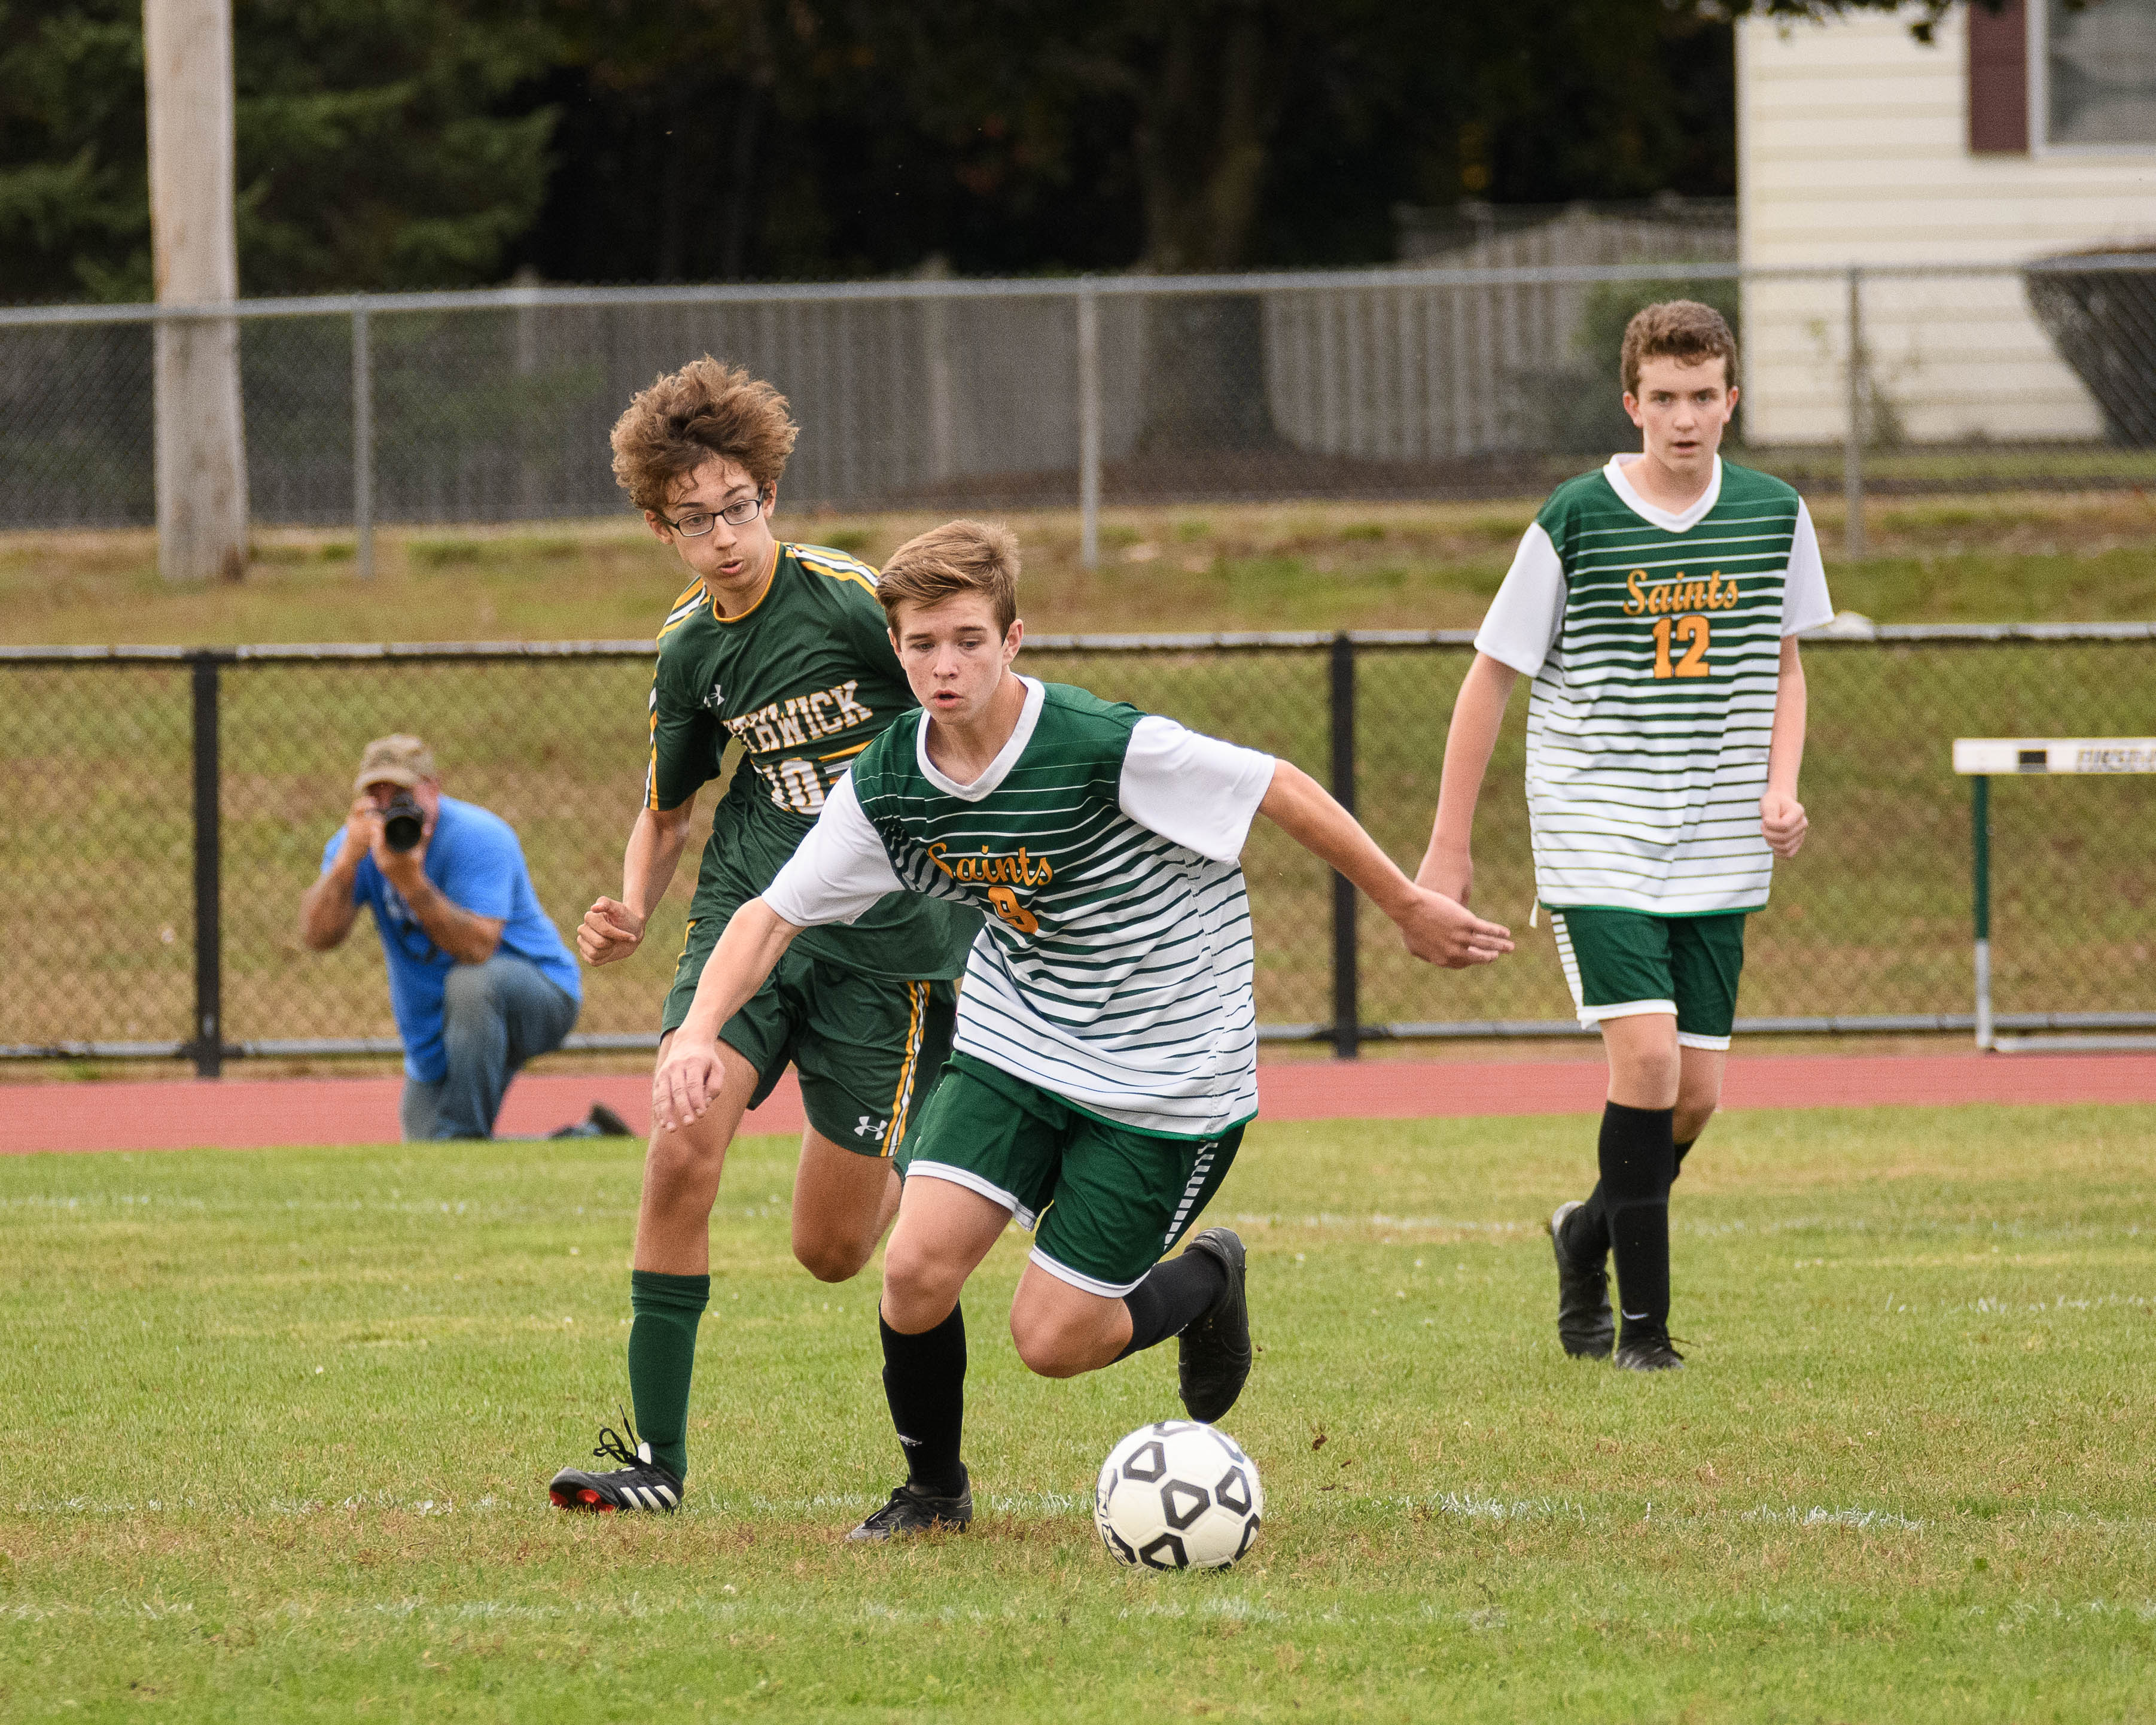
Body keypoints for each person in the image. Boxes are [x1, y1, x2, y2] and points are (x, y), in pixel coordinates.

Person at [650, 519, 1514, 1540]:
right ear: (895, 649)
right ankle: (933, 1492)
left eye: (968, 639)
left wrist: (1405, 902)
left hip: (1167, 1069)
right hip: (1016, 1041)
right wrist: (697, 1030)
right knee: (914, 1270)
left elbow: (1273, 785)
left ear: (1013, 640)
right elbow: (770, 915)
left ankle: (1206, 1280)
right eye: (922, 644)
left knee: (1052, 1339)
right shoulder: (889, 782)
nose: (944, 664)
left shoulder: (1101, 746)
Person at [547, 358, 981, 1516]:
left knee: (831, 1251)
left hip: (885, 947)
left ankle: (937, 1154)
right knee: (678, 1143)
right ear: (660, 527)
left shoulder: (850, 603)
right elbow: (668, 808)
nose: (725, 536)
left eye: (739, 506)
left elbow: (969, 711)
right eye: (694, 518)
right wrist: (632, 906)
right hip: (752, 911)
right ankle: (656, 1460)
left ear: (770, 494)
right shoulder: (690, 648)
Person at [1417, 299, 1832, 1373]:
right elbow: (1489, 678)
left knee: (1694, 1095)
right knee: (1645, 1059)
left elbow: (1785, 666)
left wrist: (1780, 787)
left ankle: (1587, 1230)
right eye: (1663, 397)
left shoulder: (1774, 514)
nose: (1683, 417)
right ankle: (1642, 1332)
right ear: (1630, 402)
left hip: (1718, 840)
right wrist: (1449, 846)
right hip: (1595, 828)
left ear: (1731, 400)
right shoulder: (1575, 518)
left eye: (1702, 396)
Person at [299, 734, 600, 1142]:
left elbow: (477, 948)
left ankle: (462, 1135)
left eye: (402, 794)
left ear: (433, 789)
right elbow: (316, 936)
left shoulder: (479, 837)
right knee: (426, 1148)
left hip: (537, 994)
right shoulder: (356, 846)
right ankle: (583, 1138)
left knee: (471, 985)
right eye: (376, 795)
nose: (390, 808)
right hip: (440, 1021)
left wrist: (411, 883)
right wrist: (344, 866)